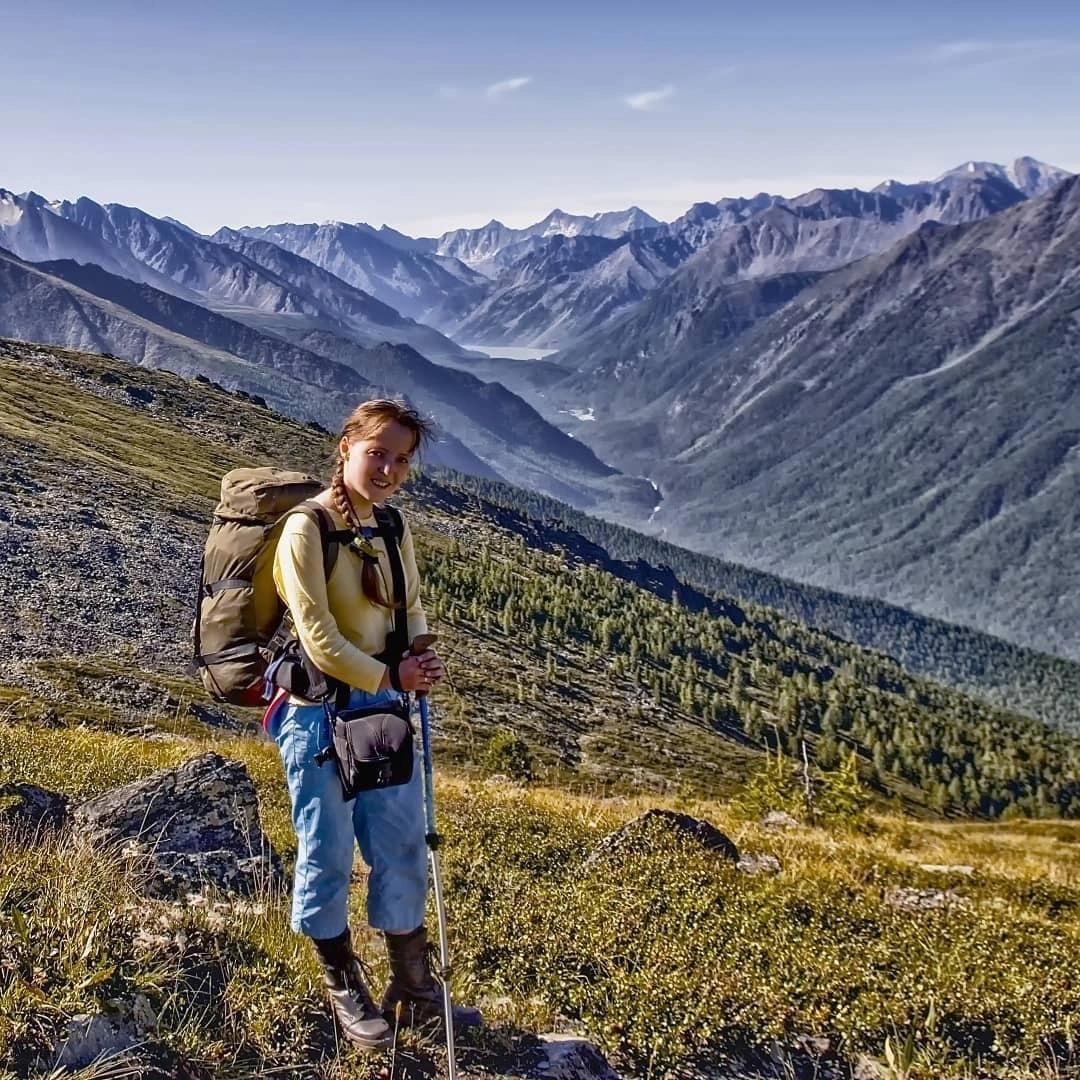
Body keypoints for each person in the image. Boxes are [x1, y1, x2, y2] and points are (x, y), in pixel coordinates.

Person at [267, 398, 479, 1050]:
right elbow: (320, 639)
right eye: (377, 452)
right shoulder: (306, 528)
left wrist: (417, 650)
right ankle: (345, 989)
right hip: (317, 716)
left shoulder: (390, 525)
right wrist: (393, 678)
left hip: (382, 715)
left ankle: (412, 989)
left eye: (401, 458)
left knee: (402, 848)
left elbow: (409, 603)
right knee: (327, 853)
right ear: (346, 447)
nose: (388, 467)